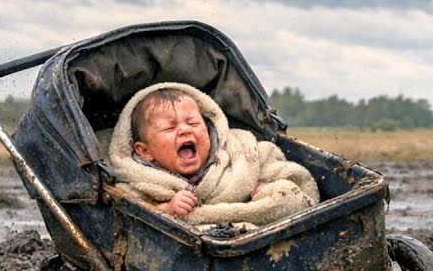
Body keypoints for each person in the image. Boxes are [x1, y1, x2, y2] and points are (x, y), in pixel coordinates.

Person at [107, 82, 319, 228]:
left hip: (254, 224)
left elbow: (274, 164)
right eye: (169, 128)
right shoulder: (140, 179)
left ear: (208, 130)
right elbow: (133, 212)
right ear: (145, 151)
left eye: (192, 122)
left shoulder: (235, 152)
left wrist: (263, 186)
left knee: (286, 199)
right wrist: (167, 208)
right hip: (204, 243)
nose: (184, 130)